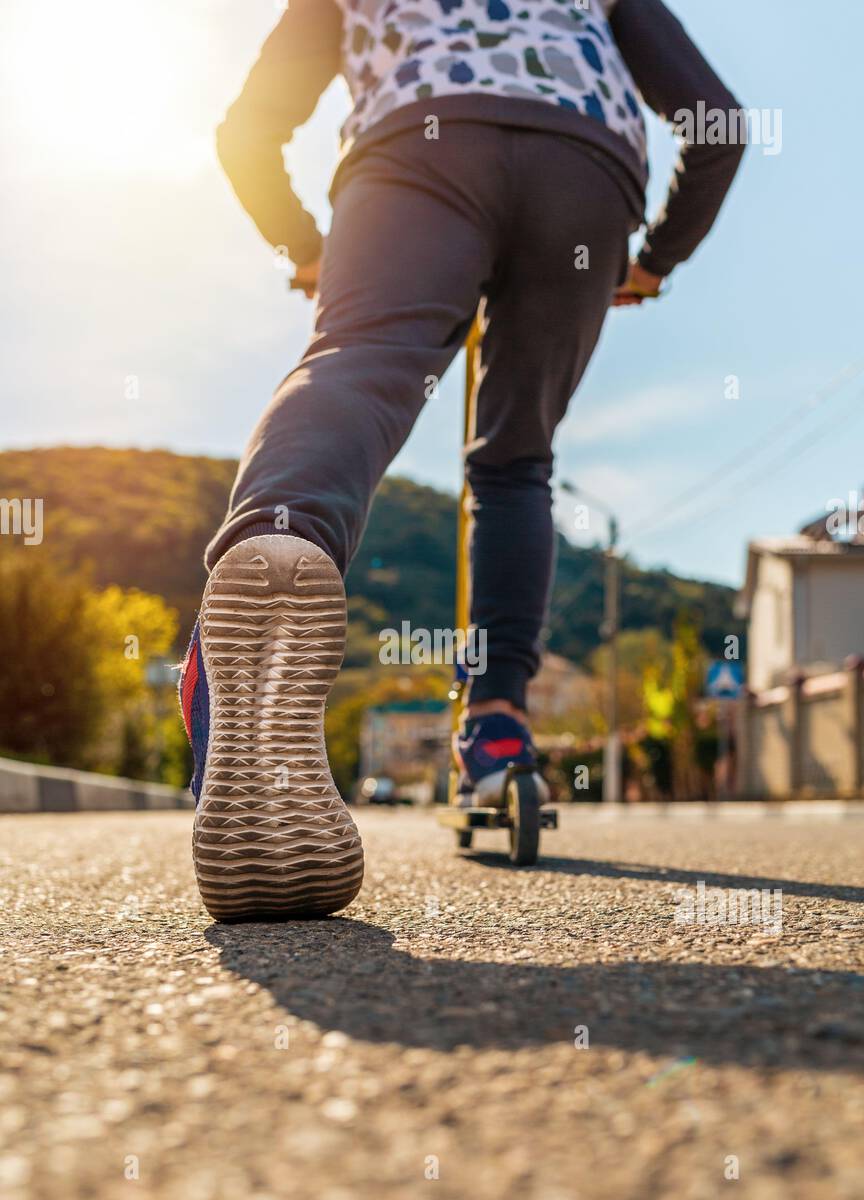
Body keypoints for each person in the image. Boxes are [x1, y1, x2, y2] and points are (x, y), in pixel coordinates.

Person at [180, 0, 746, 922]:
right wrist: (654, 259)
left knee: (358, 364)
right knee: (516, 462)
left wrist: (308, 248)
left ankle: (279, 542)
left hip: (413, 154)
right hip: (584, 165)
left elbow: (249, 129)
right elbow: (715, 122)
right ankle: (495, 730)